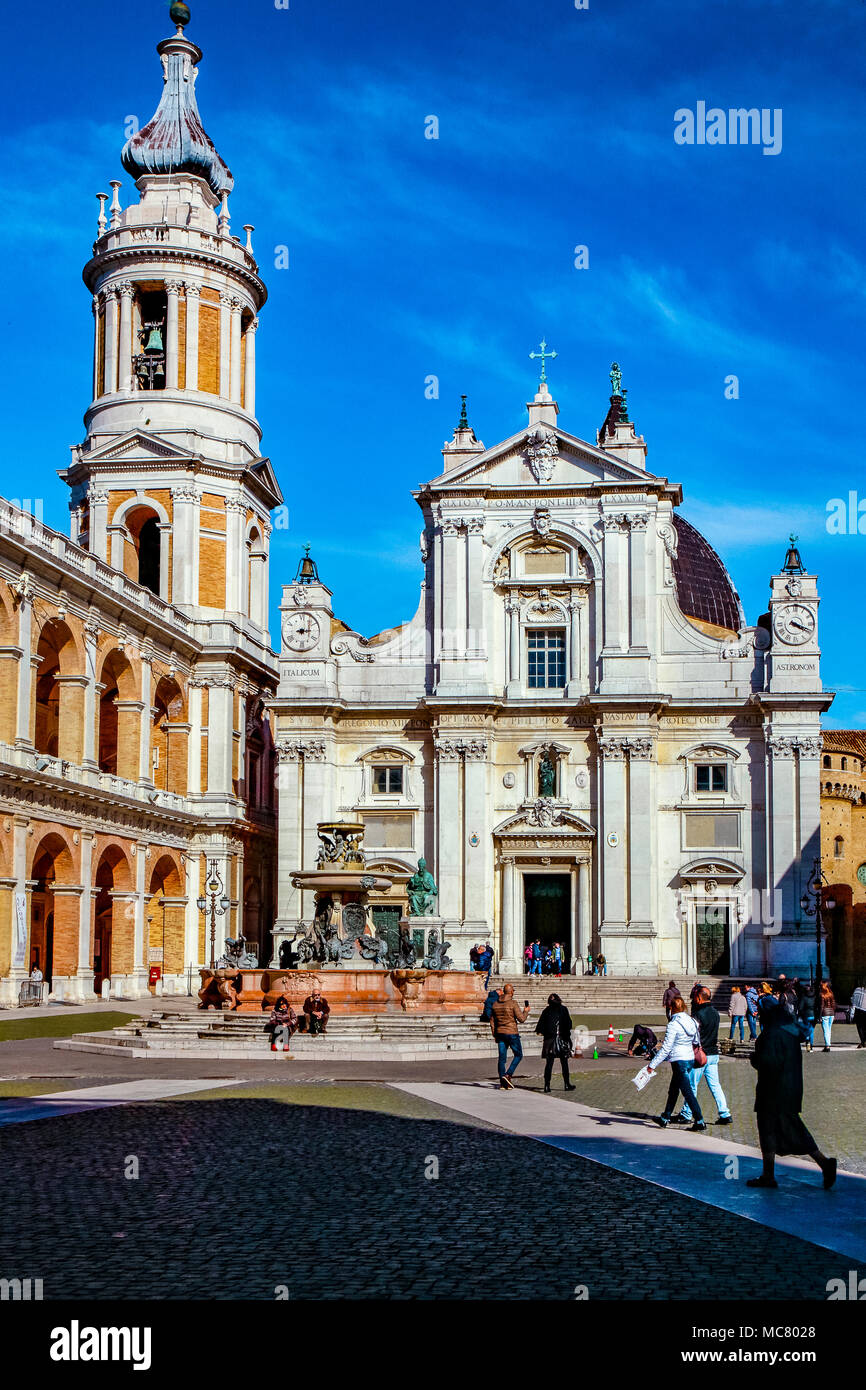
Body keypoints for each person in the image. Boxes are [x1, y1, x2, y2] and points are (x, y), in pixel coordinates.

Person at [747, 996, 836, 1190]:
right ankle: (770, 1174)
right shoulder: (790, 1030)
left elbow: (769, 1063)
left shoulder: (772, 1033)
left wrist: (755, 1059)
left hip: (773, 1091)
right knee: (788, 1129)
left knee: (773, 1131)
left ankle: (822, 1164)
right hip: (789, 1088)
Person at [647, 997, 706, 1132]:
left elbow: (666, 1047)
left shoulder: (673, 1025)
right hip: (689, 1058)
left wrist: (652, 1064)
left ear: (671, 1009)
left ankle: (700, 1120)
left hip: (679, 1060)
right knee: (674, 1089)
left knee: (687, 1092)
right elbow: (696, 1040)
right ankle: (665, 1117)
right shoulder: (692, 1021)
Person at [676, 986, 732, 1126]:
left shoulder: (698, 1015)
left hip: (701, 1055)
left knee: (692, 1085)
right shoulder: (715, 1013)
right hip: (713, 1053)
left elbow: (693, 1035)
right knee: (715, 1085)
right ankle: (725, 1113)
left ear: (699, 998)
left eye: (695, 997)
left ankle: (686, 1113)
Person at [489, 983, 530, 1089]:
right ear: (511, 992)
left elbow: (492, 1020)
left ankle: (503, 1081)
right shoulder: (513, 1003)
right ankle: (508, 1075)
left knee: (502, 1058)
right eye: (513, 991)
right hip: (511, 1032)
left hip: (500, 1033)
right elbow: (521, 1019)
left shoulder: (495, 1004)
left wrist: (494, 1033)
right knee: (518, 1055)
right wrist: (525, 1012)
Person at [536, 993, 576, 1093]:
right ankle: (567, 1084)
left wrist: (547, 1033)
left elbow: (540, 1027)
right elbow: (569, 1024)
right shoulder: (563, 1009)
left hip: (550, 1040)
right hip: (562, 1039)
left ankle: (546, 1086)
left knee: (549, 1064)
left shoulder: (546, 1011)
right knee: (564, 1063)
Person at [796, 980, 816, 1051]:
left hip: (806, 1015)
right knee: (811, 1031)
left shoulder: (803, 997)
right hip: (813, 1015)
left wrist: (800, 1014)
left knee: (806, 1030)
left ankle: (808, 1045)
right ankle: (811, 1046)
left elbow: (800, 1007)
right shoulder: (814, 996)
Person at [817, 981, 835, 1052]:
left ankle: (827, 1046)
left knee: (826, 1030)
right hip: (831, 1013)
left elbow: (821, 1006)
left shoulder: (821, 995)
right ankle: (828, 1044)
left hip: (825, 1014)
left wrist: (819, 1016)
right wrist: (834, 1013)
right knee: (829, 1030)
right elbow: (834, 1004)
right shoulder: (831, 994)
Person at [851, 980, 866, 1048]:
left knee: (860, 1027)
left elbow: (852, 1000)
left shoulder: (857, 989)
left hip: (858, 1010)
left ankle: (863, 1042)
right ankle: (864, 1042)